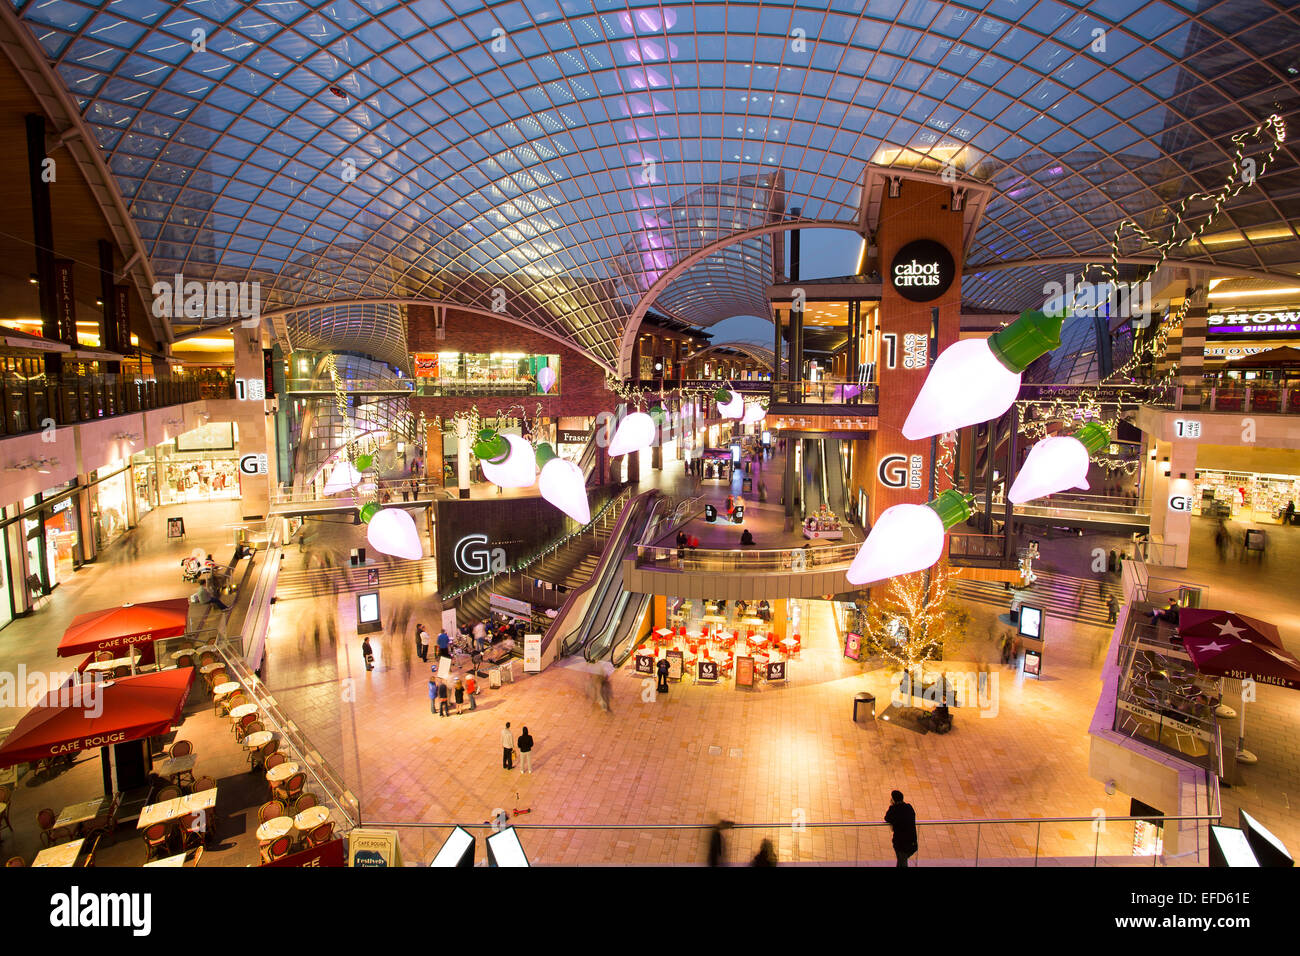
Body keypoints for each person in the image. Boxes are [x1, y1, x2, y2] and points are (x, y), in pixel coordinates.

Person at [885, 790, 918, 867]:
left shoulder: (894, 809)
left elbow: (887, 817)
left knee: (902, 861)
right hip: (912, 842)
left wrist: (892, 806)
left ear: (893, 800)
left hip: (901, 844)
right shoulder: (909, 807)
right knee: (901, 861)